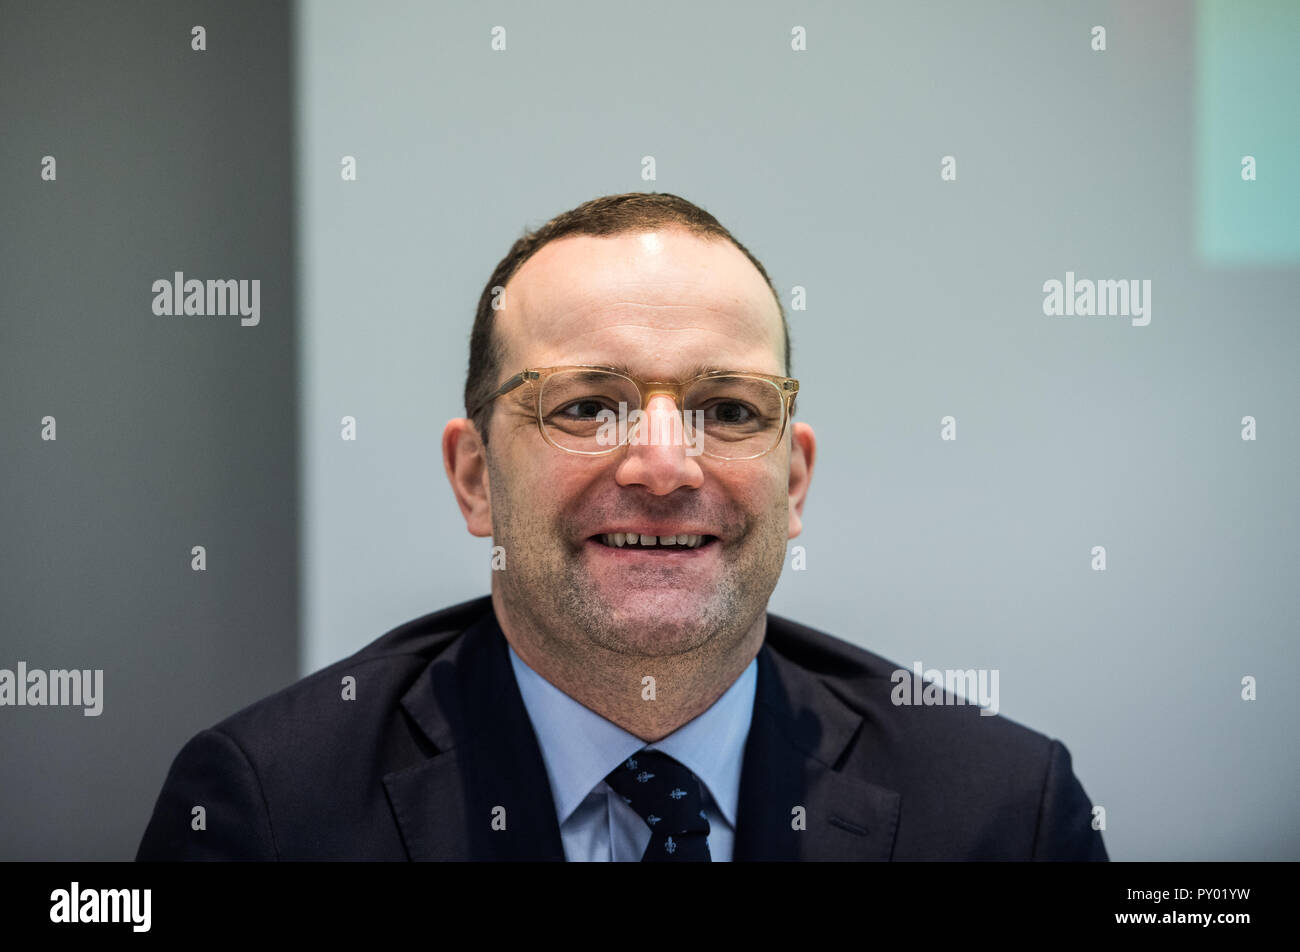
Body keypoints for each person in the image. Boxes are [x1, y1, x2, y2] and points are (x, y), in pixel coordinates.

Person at [137, 192, 1108, 861]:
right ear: (474, 477)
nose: (660, 465)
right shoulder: (269, 810)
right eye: (585, 405)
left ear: (794, 479)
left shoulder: (1000, 811)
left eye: (727, 409)